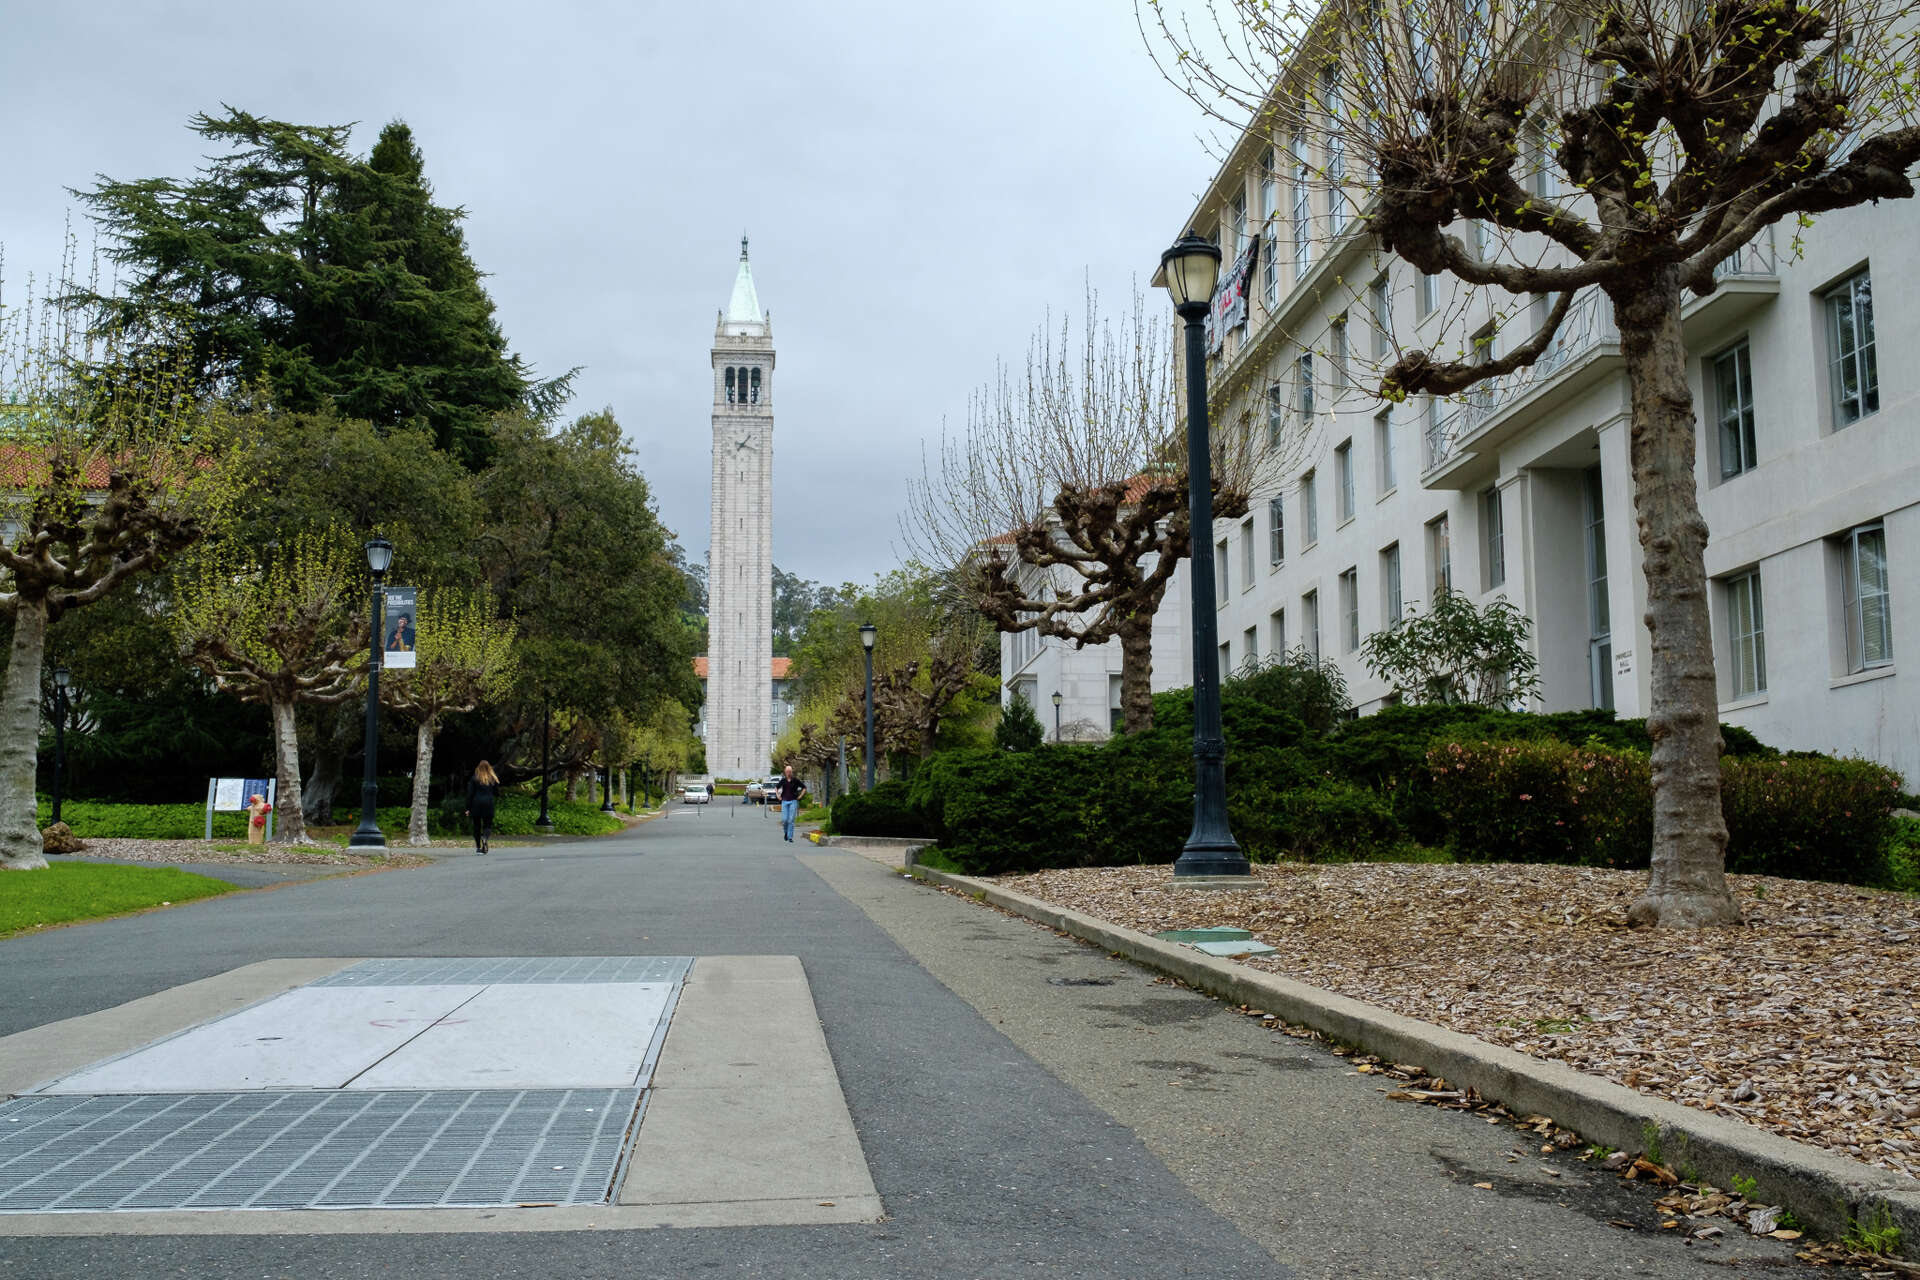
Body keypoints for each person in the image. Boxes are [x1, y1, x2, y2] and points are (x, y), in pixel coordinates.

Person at [465, 761, 501, 855]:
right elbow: (497, 793)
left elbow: (470, 794)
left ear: (478, 768)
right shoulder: (493, 779)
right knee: (487, 825)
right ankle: (484, 837)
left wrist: (467, 808)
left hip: (476, 804)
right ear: (489, 768)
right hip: (489, 803)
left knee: (476, 826)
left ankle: (478, 847)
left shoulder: (474, 779)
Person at [775, 764, 807, 843]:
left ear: (791, 772)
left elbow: (804, 788)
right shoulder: (783, 780)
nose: (788, 773)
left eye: (790, 771)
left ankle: (790, 837)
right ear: (785, 772)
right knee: (785, 820)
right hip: (784, 801)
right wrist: (778, 795)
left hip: (793, 801)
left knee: (791, 820)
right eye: (787, 771)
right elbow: (776, 788)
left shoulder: (795, 780)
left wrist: (800, 796)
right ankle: (786, 832)